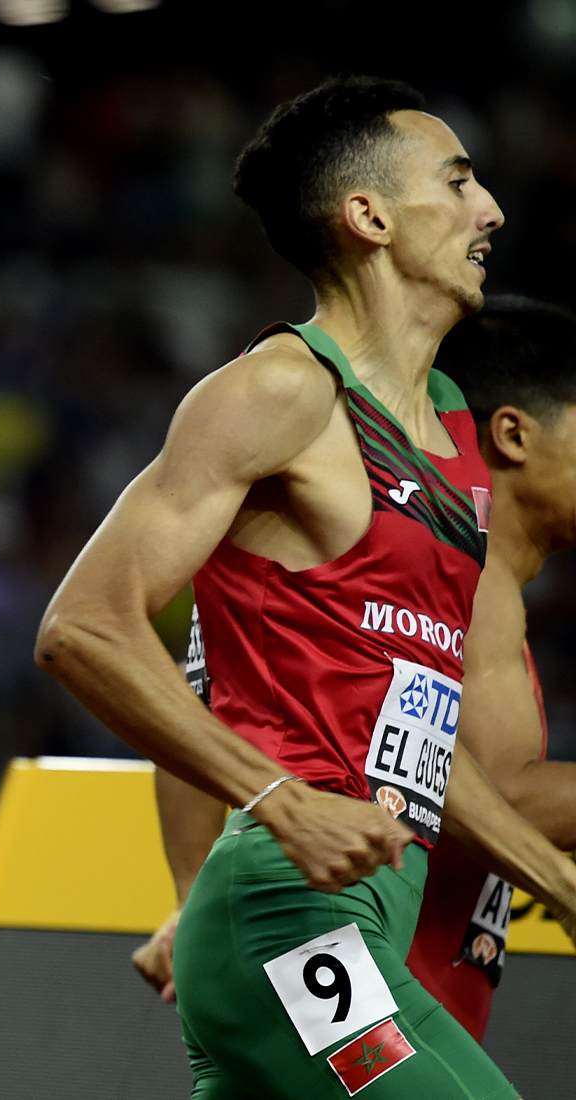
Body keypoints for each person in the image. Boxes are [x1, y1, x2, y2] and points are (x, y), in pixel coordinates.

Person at [35, 77, 576, 1099]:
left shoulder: (451, 431)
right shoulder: (283, 390)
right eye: (456, 182)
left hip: (362, 908)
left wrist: (551, 876)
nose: (490, 210)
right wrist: (272, 803)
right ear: (367, 216)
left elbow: (404, 725)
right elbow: (84, 628)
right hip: (289, 914)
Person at [133, 296, 576, 1044]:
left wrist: (187, 896)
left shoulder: (422, 575)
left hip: (329, 967)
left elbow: (204, 693)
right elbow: (497, 802)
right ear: (513, 434)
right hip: (350, 967)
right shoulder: (470, 585)